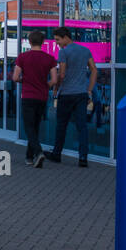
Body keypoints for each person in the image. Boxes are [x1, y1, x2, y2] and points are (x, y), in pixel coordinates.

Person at [48, 26, 96, 167]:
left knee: (61, 125)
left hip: (67, 94)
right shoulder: (85, 50)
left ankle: (57, 154)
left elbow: (62, 74)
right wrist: (89, 89)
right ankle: (83, 158)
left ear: (65, 37)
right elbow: (94, 69)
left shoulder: (63, 52)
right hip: (81, 94)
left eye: (57, 40)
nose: (57, 43)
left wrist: (56, 88)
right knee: (82, 126)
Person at [13, 30, 58, 167]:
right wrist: (46, 85)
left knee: (28, 127)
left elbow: (15, 77)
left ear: (30, 41)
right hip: (42, 96)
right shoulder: (50, 59)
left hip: (28, 95)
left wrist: (24, 81)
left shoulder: (23, 57)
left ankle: (38, 152)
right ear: (43, 42)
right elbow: (54, 80)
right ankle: (29, 157)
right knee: (35, 126)